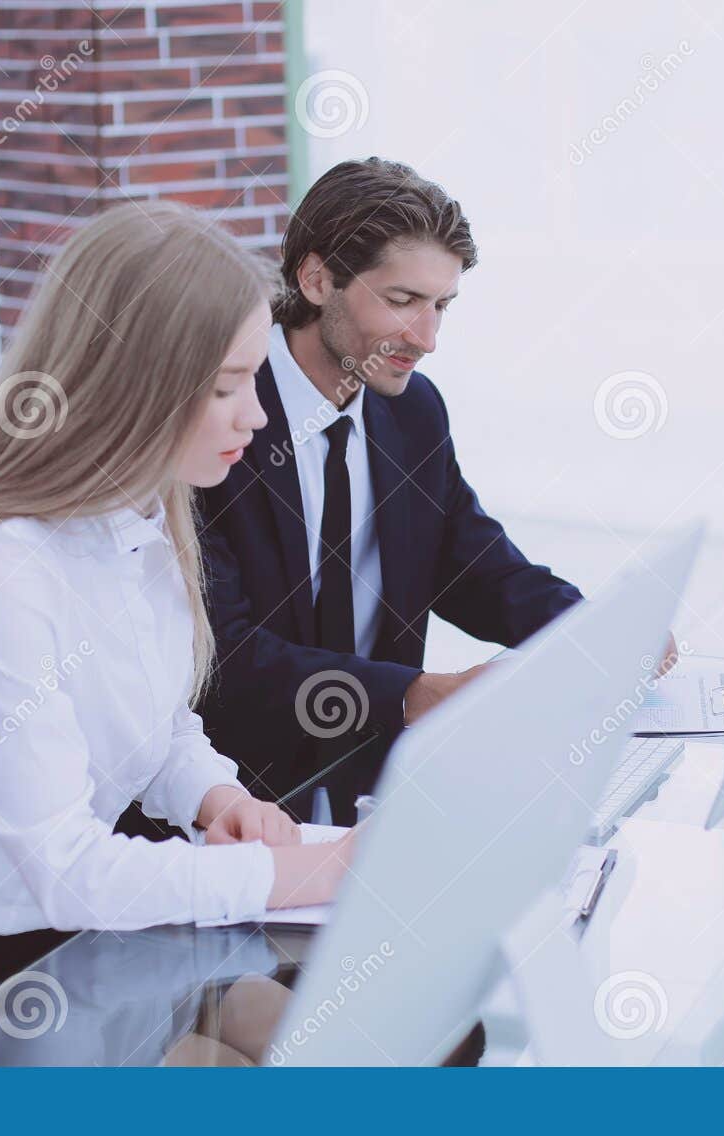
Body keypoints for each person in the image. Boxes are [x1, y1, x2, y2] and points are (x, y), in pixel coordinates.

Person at [0, 202, 354, 1064]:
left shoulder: (140, 512)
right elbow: (65, 864)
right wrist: (291, 874)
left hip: (67, 942)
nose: (258, 418)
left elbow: (159, 725)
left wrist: (217, 796)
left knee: (332, 1052)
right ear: (135, 385)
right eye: (226, 386)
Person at [193, 158, 585, 821]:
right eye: (402, 301)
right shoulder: (223, 419)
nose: (427, 339)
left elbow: (470, 562)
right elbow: (220, 655)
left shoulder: (411, 410)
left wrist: (586, 630)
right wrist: (413, 695)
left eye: (441, 306)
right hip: (236, 798)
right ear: (317, 278)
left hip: (372, 793)